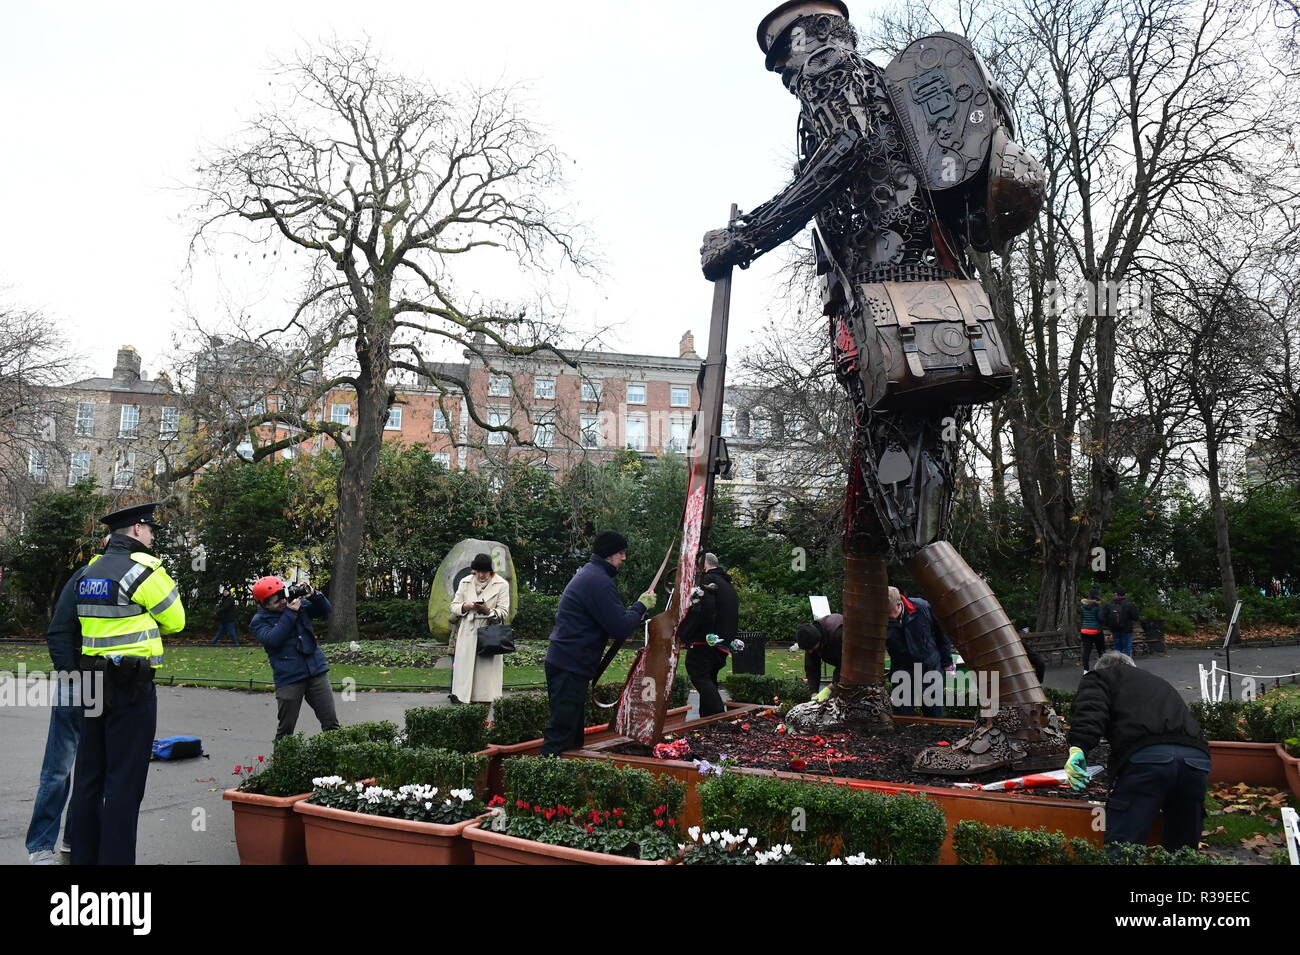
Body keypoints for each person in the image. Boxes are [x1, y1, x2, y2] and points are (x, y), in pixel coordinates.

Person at [65, 502, 185, 865]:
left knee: (89, 776)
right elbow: (176, 621)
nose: (151, 537)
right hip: (130, 686)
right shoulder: (145, 571)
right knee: (124, 780)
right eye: (149, 531)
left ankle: (83, 857)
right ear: (136, 530)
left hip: (91, 682)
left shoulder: (88, 572)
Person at [1064, 651, 1211, 851]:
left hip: (1148, 760)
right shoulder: (1159, 682)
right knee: (1183, 848)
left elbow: (1091, 710)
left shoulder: (1100, 677)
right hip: (1196, 760)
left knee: (1124, 846)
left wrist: (1078, 747)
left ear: (1104, 668)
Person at [541, 531, 656, 756]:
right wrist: (640, 606)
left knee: (572, 735)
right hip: (570, 664)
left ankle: (564, 780)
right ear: (609, 554)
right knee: (561, 733)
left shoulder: (592, 575)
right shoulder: (598, 581)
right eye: (621, 553)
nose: (624, 558)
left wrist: (637, 610)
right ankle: (540, 782)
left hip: (568, 662)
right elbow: (620, 627)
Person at [26, 563, 88, 864]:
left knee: (89, 771)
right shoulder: (84, 577)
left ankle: (72, 842)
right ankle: (41, 846)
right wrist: (71, 675)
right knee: (59, 770)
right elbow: (60, 629)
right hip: (81, 682)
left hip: (107, 685)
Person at [249, 576, 338, 739]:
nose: (282, 603)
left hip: (315, 670)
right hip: (289, 677)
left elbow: (325, 610)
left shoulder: (297, 604)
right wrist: (290, 612)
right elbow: (273, 640)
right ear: (264, 604)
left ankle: (336, 761)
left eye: (282, 598)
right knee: (286, 730)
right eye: (276, 602)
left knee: (331, 724)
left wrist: (313, 594)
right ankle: (281, 763)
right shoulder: (259, 621)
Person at [676, 553, 741, 717]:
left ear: (703, 565)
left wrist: (685, 632)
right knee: (709, 678)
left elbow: (704, 610)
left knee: (697, 673)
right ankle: (708, 719)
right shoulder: (728, 586)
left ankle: (719, 715)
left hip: (706, 640)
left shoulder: (707, 582)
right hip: (723, 642)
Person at [449, 553, 511, 704]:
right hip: (467, 632)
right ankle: (466, 709)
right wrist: (466, 606)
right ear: (474, 570)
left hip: (488, 634)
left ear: (491, 571)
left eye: (485, 572)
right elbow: (454, 606)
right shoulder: (465, 582)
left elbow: (504, 611)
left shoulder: (501, 584)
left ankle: (483, 714)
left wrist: (487, 611)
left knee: (485, 685)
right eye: (479, 572)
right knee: (465, 683)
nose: (482, 575)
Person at [886, 586, 953, 718]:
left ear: (899, 604)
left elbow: (942, 635)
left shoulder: (922, 608)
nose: (887, 618)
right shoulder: (878, 618)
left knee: (934, 714)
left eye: (889, 613)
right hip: (901, 671)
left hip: (930, 668)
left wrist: (947, 663)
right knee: (902, 716)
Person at [795, 612, 843, 699]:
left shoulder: (838, 633)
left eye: (811, 648)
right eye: (807, 650)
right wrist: (814, 692)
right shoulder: (810, 640)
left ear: (819, 640)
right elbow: (811, 668)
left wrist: (829, 688)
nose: (810, 651)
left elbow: (847, 664)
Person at [1105, 587, 1142, 658]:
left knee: (1117, 648)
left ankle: (1117, 664)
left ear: (1115, 594)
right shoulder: (1129, 604)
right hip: (1126, 630)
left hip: (1115, 629)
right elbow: (1136, 617)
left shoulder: (1109, 604)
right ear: (1125, 594)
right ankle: (1126, 665)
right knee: (1126, 649)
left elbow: (1104, 615)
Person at [1078, 587, 1104, 671]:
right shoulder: (1098, 606)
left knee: (1086, 651)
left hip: (1085, 630)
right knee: (1100, 650)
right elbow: (1100, 618)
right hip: (1096, 631)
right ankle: (1102, 668)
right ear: (1097, 595)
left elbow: (1082, 617)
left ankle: (1086, 670)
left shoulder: (1083, 606)